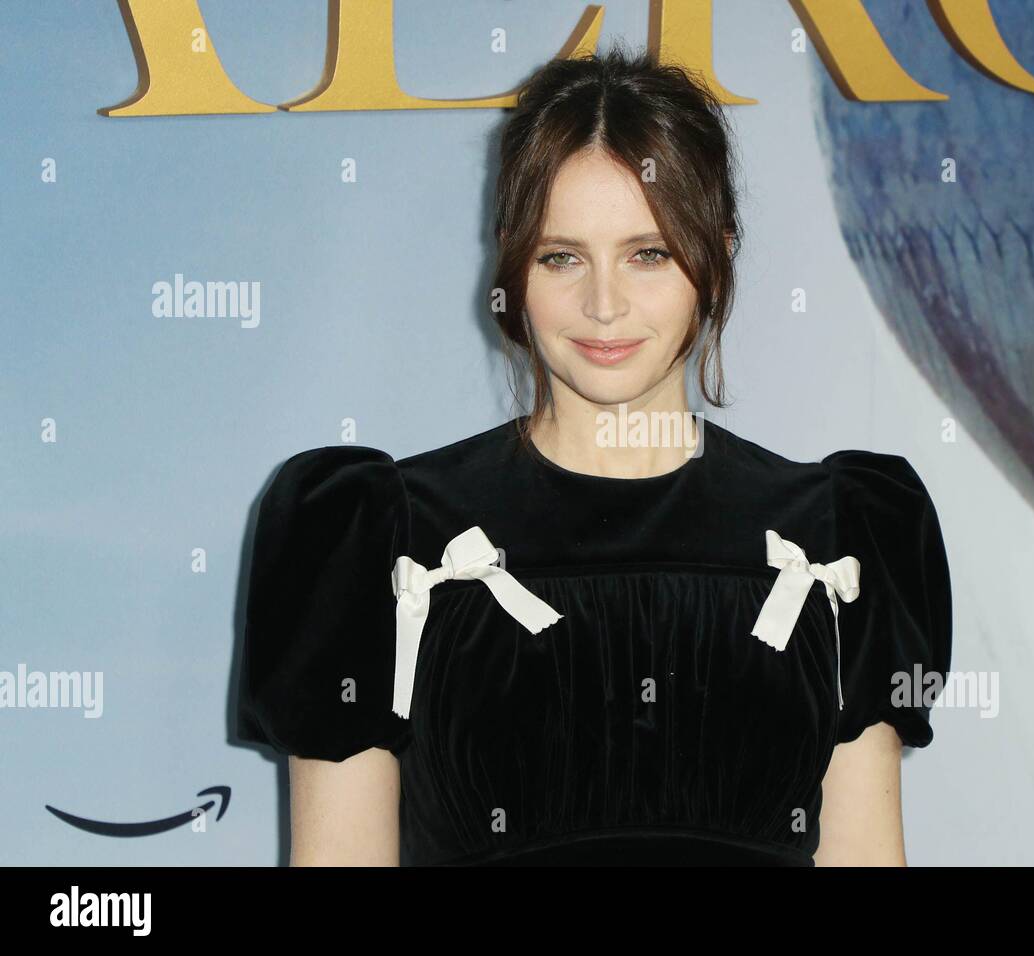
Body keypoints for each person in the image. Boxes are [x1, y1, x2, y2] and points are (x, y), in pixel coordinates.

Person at [235, 44, 952, 866]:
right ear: (512, 259)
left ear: (714, 258)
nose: (603, 305)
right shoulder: (377, 534)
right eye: (561, 256)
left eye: (647, 254)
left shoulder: (840, 532)